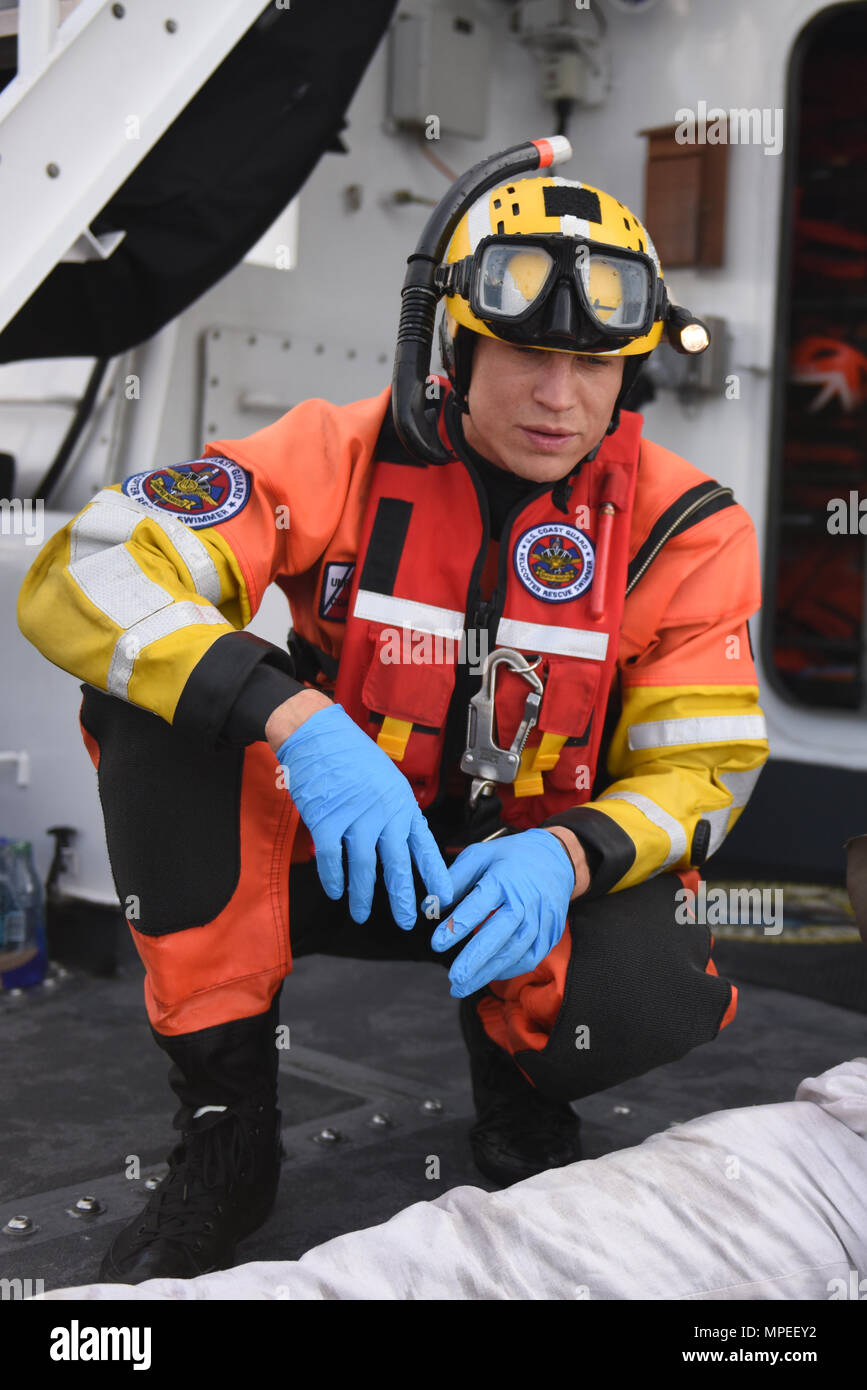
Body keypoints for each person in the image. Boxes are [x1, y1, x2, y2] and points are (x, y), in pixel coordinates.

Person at [17, 136, 769, 1285]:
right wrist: (295, 722)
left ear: (630, 370)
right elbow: (91, 565)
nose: (559, 397)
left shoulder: (686, 526)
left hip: (523, 875)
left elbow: (704, 768)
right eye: (521, 351)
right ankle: (227, 1136)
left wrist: (566, 857)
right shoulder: (339, 454)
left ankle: (523, 1090)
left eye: (596, 363)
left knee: (649, 976)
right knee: (149, 713)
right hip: (343, 846)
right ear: (455, 345)